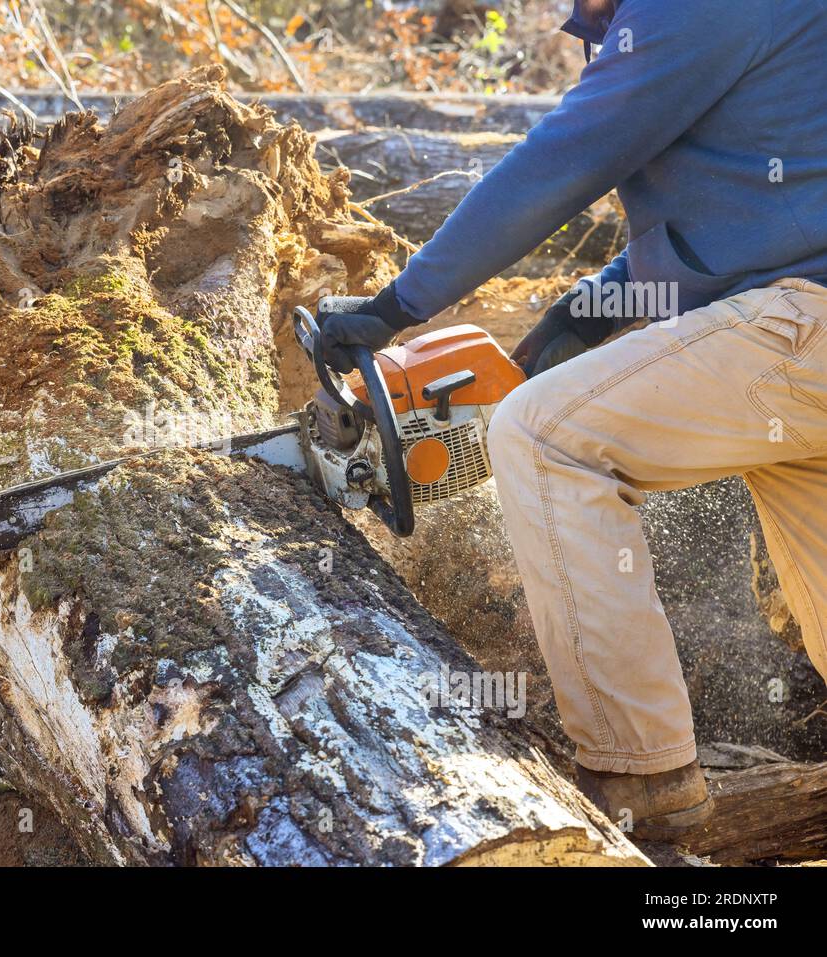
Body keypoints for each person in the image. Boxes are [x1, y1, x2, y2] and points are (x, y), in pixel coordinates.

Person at [319, 0, 827, 841]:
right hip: (795, 342)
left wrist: (398, 303)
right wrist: (587, 311)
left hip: (798, 327)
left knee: (544, 434)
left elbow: (560, 160)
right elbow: (735, 201)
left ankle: (645, 777)